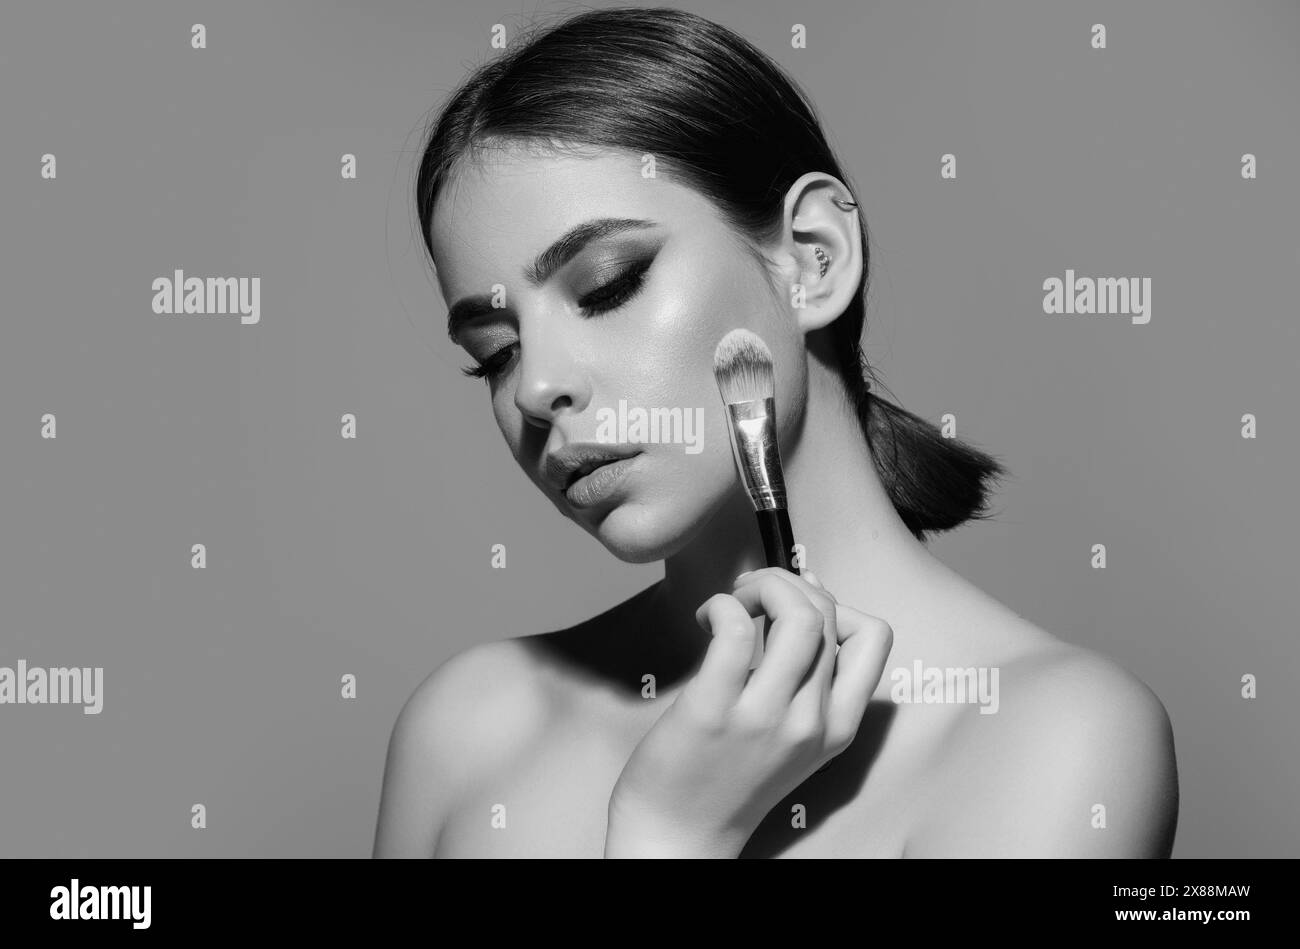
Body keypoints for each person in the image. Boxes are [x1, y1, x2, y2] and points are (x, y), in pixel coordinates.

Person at [373, 6, 1178, 858]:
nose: (536, 388)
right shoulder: (468, 729)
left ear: (813, 256)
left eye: (607, 286)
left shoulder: (1055, 741)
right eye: (494, 354)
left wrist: (672, 832)